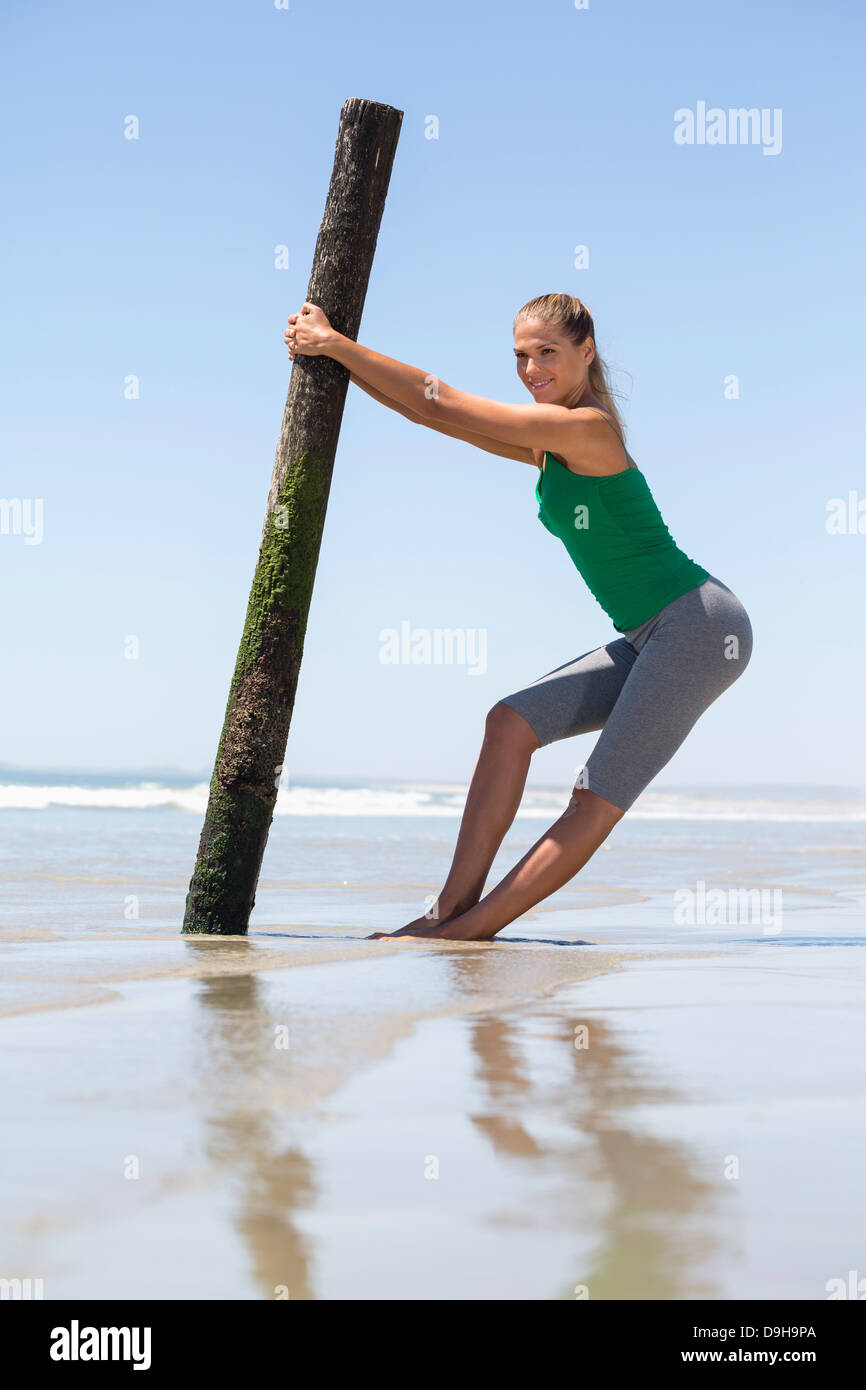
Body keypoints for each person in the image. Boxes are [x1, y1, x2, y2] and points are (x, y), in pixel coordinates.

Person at [284, 292, 753, 942]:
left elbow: (437, 399)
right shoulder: (548, 438)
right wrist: (338, 364)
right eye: (521, 357)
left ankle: (467, 933)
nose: (532, 369)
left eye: (547, 354)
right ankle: (446, 912)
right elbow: (434, 418)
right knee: (509, 724)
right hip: (650, 632)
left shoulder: (583, 429)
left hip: (699, 627)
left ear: (586, 352)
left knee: (594, 796)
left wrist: (333, 343)